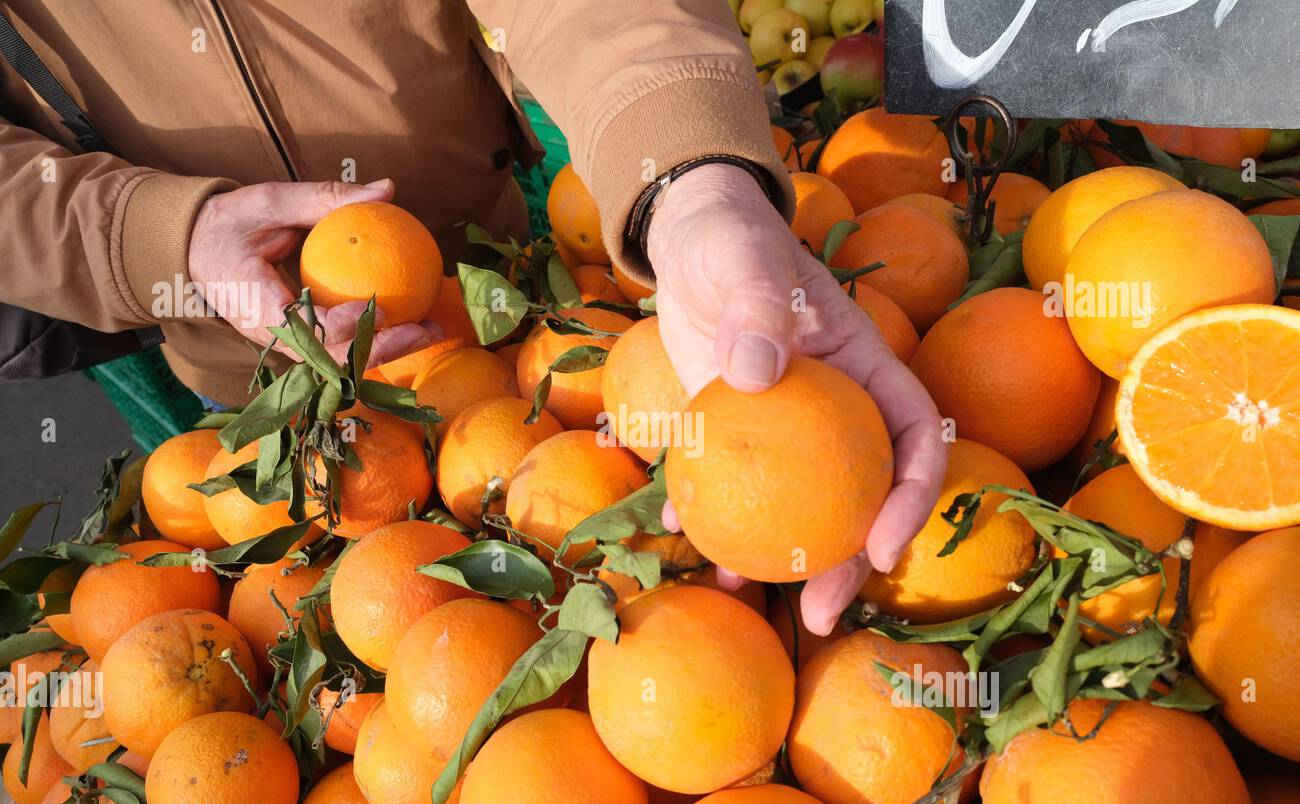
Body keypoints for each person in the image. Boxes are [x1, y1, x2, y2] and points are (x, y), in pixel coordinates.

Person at [0, 1, 944, 634]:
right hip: (216, 340)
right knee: (241, 521)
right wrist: (154, 235)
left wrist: (686, 176)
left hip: (494, 286)